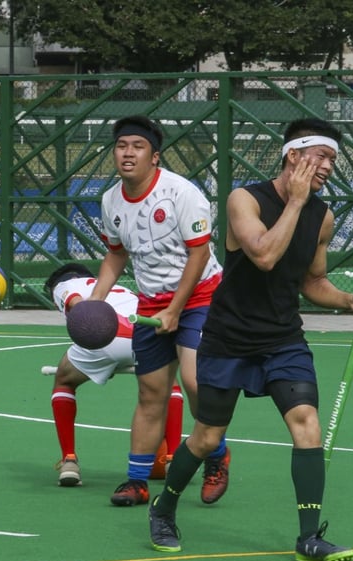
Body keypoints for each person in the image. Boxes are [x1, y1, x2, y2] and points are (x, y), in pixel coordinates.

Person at [147, 118, 353, 561]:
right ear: (293, 155)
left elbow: (312, 282)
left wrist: (349, 298)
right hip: (229, 337)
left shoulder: (322, 216)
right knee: (207, 435)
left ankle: (309, 538)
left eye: (333, 158)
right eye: (321, 156)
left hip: (283, 339)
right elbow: (266, 256)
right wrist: (295, 202)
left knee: (306, 422)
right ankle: (165, 507)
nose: (329, 165)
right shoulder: (244, 200)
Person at [88, 115, 232, 508]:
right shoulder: (110, 200)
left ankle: (216, 455)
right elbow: (115, 254)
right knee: (151, 393)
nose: (127, 152)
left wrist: (176, 309)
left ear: (155, 155)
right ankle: (136, 481)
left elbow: (200, 253)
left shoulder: (181, 193)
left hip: (202, 297)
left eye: (137, 146)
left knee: (195, 381)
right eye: (121, 145)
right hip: (151, 303)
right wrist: (93, 302)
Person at [44, 262, 184, 487]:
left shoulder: (65, 285)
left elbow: (80, 310)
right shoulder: (118, 288)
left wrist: (104, 359)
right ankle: (173, 459)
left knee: (64, 379)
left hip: (109, 335)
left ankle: (69, 460)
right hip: (146, 332)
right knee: (169, 383)